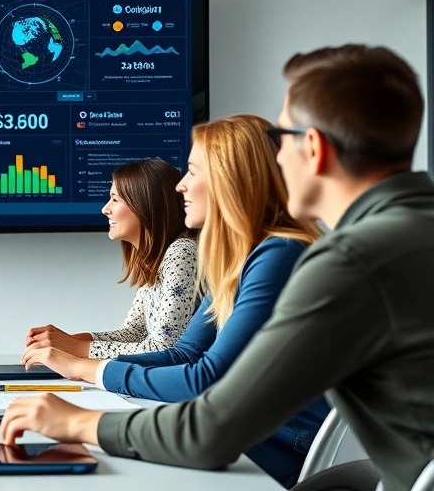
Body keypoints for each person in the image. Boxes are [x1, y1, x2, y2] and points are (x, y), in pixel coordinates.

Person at [1, 45, 434, 491]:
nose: (277, 160)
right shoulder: (404, 235)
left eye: (281, 140)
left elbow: (210, 428)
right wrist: (81, 367)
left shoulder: (342, 260)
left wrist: (77, 423)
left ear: (314, 149)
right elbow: (193, 362)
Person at [17, 114, 330, 488]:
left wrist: (84, 370)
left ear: (233, 181)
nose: (180, 185)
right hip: (255, 430)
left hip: (288, 445)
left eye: (193, 172)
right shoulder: (241, 258)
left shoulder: (279, 254)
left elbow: (203, 379)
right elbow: (183, 353)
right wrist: (78, 362)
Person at [25, 158, 199, 360]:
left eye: (115, 200)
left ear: (146, 204)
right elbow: (133, 333)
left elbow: (162, 348)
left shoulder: (181, 253)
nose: (105, 209)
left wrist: (74, 348)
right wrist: (70, 341)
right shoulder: (157, 259)